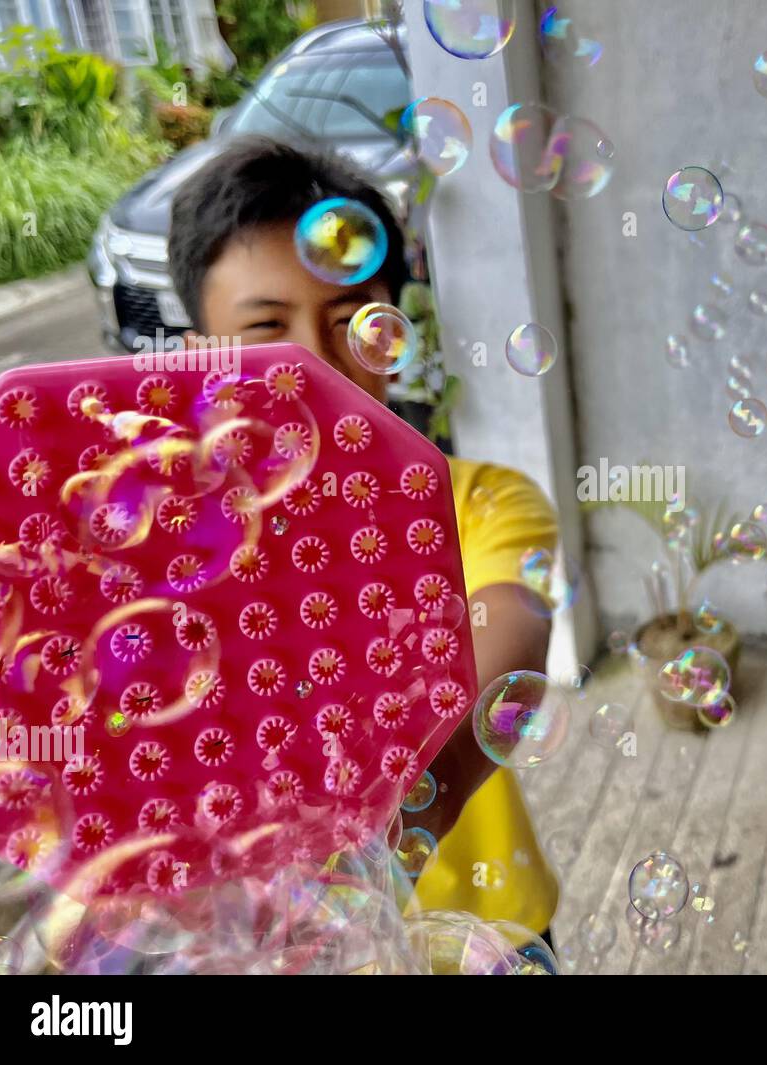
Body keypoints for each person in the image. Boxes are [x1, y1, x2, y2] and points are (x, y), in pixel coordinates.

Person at [169, 135, 560, 942]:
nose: (313, 361)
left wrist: (396, 829)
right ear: (198, 353)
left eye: (349, 321)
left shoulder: (481, 503)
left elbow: (504, 658)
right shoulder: (173, 554)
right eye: (267, 327)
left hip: (491, 938)